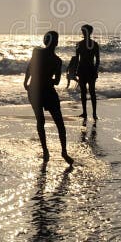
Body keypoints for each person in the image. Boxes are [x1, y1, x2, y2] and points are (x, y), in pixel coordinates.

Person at [24, 31, 73, 165]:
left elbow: (30, 68)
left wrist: (28, 81)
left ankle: (59, 151)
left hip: (38, 91)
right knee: (52, 122)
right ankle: (50, 151)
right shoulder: (55, 60)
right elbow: (55, 81)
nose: (54, 42)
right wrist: (29, 81)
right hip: (40, 91)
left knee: (50, 122)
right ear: (55, 42)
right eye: (55, 40)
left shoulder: (44, 55)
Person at [75, 24, 100, 119]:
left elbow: (97, 60)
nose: (83, 33)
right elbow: (97, 60)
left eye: (84, 31)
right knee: (88, 91)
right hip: (87, 69)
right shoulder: (93, 44)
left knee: (88, 92)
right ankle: (89, 113)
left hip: (86, 70)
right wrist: (95, 69)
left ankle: (91, 113)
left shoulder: (80, 44)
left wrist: (95, 69)